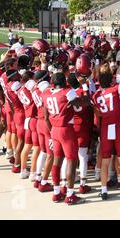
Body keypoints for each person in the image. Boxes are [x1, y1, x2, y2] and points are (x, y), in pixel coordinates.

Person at [43, 73, 88, 205]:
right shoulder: (67, 92)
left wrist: (52, 131)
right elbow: (85, 101)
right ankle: (70, 194)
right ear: (64, 82)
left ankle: (57, 192)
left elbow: (46, 117)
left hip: (54, 129)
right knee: (71, 161)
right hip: (66, 129)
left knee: (57, 160)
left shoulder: (46, 93)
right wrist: (84, 85)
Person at [92, 64, 120, 200]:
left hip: (106, 126)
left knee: (105, 161)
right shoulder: (116, 89)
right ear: (111, 80)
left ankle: (103, 190)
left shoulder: (96, 95)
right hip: (118, 125)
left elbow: (98, 113)